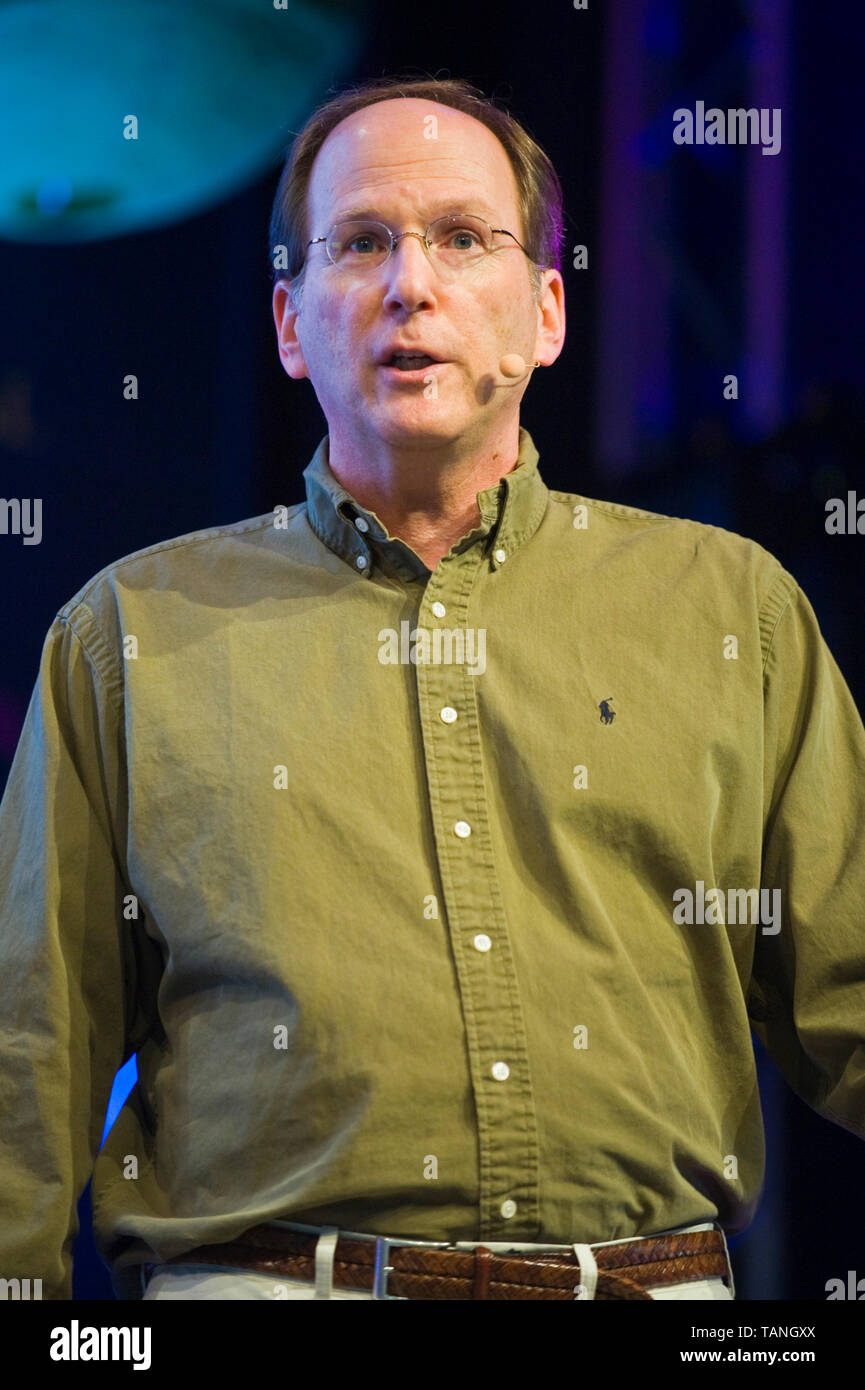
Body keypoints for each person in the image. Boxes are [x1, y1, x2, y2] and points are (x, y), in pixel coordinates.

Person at [1, 75, 863, 1304]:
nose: (411, 283)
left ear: (546, 312)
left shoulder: (732, 612)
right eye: (360, 242)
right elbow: (26, 1054)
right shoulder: (128, 635)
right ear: (291, 325)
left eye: (463, 238)